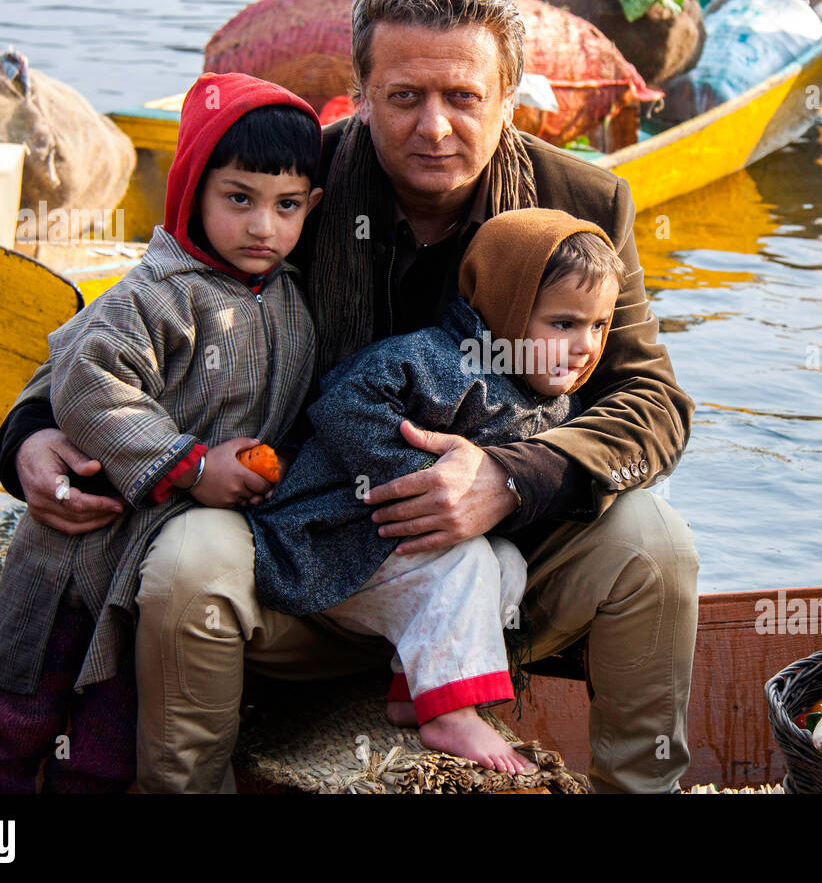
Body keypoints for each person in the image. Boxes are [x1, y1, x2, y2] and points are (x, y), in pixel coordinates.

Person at [0, 0, 699, 794]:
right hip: (298, 546)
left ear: (510, 99)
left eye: (463, 97)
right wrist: (31, 430)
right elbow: (138, 309)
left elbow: (651, 402)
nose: (433, 127)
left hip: (496, 576)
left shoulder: (583, 203)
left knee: (652, 542)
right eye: (403, 97)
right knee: (185, 564)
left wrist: (511, 478)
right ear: (362, 93)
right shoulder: (292, 185)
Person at [0, 72, 323, 792]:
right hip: (72, 559)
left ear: (313, 207)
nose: (262, 228)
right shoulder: (151, 296)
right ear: (189, 190)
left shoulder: (291, 302)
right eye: (237, 198)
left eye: (286, 207)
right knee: (9, 730)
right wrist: (191, 465)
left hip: (150, 580)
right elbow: (88, 391)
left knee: (105, 750)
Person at [249, 209, 624, 773]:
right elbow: (341, 405)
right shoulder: (439, 362)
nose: (584, 346)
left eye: (598, 326)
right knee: (471, 559)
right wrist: (421, 478)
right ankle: (448, 716)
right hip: (328, 539)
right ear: (507, 308)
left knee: (505, 564)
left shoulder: (552, 400)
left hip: (397, 551)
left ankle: (417, 687)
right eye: (563, 324)